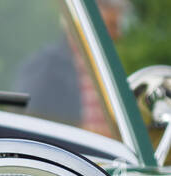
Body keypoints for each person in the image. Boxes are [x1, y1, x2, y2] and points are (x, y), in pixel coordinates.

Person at [15, 0, 131, 134]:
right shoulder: (45, 68)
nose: (118, 35)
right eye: (112, 26)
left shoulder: (104, 70)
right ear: (88, 23)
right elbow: (30, 126)